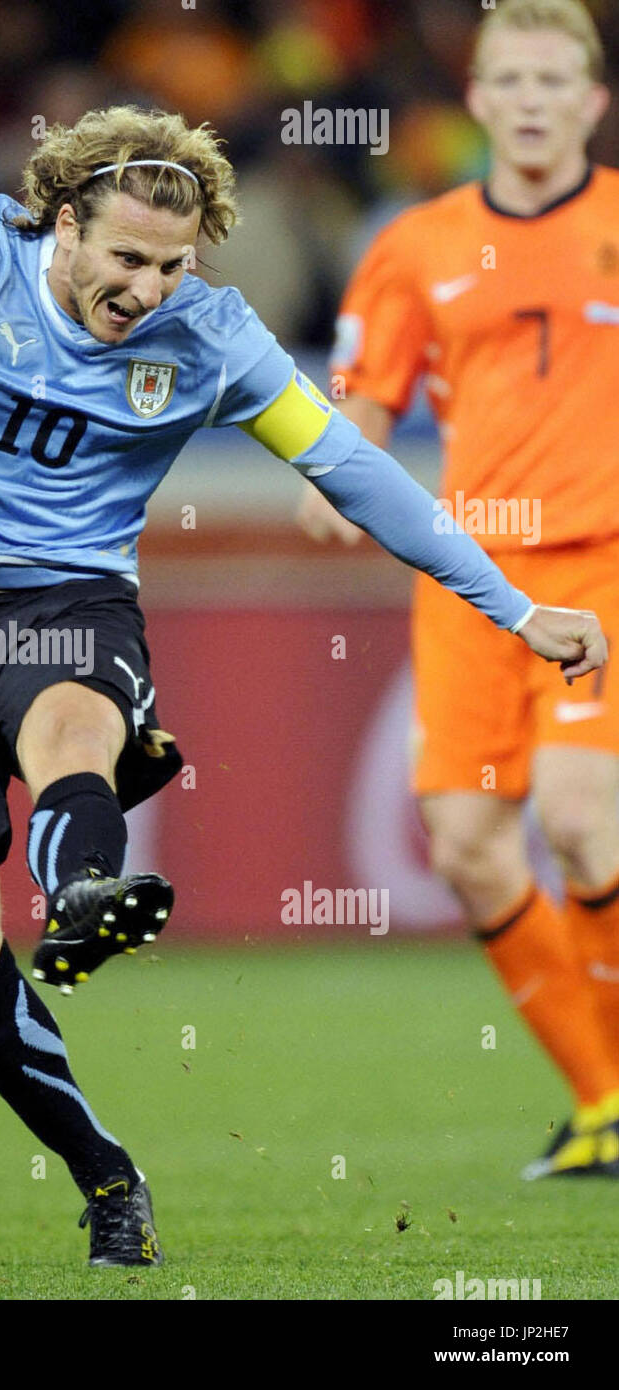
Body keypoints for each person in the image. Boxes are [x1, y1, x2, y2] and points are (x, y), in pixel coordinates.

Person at [0, 103, 604, 1267]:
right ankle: (106, 1172)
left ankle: (88, 887)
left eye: (171, 265)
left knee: (69, 722)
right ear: (63, 224)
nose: (147, 288)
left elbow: (351, 466)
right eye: (127, 259)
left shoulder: (211, 334)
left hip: (71, 600)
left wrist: (512, 604)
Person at [297, 0, 619, 1178]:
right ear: (476, 100)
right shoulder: (416, 243)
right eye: (510, 80)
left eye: (555, 80)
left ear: (591, 102)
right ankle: (605, 1099)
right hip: (475, 579)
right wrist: (335, 474)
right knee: (469, 843)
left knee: (581, 822)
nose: (532, 100)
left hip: (603, 563)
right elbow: (361, 401)